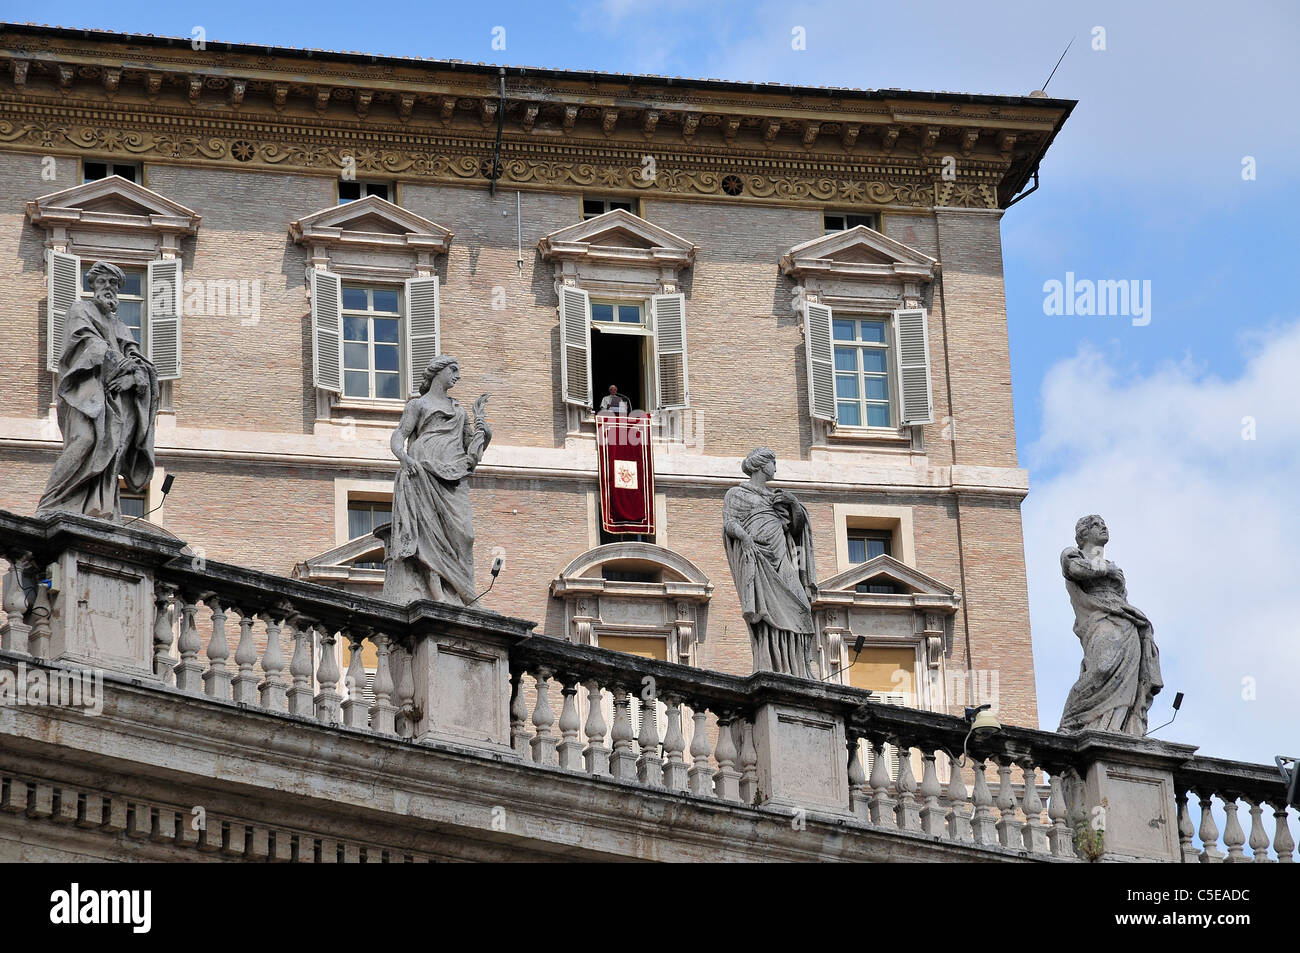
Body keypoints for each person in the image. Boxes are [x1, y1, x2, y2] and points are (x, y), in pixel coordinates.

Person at [37, 260, 158, 520]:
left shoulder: (122, 326)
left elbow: (141, 365)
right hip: (86, 393)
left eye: (113, 283)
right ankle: (50, 504)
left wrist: (134, 378)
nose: (108, 288)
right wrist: (118, 364)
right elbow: (85, 344)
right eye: (102, 281)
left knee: (113, 452)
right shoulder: (80, 310)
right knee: (85, 441)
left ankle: (102, 510)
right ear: (91, 285)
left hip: (117, 401)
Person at [383, 356, 491, 606]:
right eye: (453, 370)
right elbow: (399, 435)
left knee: (465, 535)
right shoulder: (418, 405)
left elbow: (472, 451)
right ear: (437, 371)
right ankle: (441, 593)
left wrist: (484, 431)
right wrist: (404, 458)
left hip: (454, 474)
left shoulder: (460, 411)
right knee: (427, 532)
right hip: (423, 471)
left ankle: (464, 589)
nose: (458, 376)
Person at [1058, 514, 1163, 735]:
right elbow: (1074, 570)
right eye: (1096, 524)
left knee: (1128, 680)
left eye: (1104, 524)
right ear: (1083, 534)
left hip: (1126, 622)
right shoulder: (1073, 554)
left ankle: (1120, 727)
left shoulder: (1112, 566)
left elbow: (1122, 597)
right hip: (1098, 621)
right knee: (1101, 668)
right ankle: (1073, 720)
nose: (1103, 527)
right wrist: (1107, 570)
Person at [722, 447, 819, 677]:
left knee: (801, 606)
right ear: (761, 465)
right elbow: (729, 523)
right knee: (766, 613)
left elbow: (796, 530)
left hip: (782, 556)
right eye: (773, 463)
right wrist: (745, 539)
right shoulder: (737, 495)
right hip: (758, 557)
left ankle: (799, 668)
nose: (775, 468)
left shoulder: (776, 497)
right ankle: (771, 664)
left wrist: (793, 502)